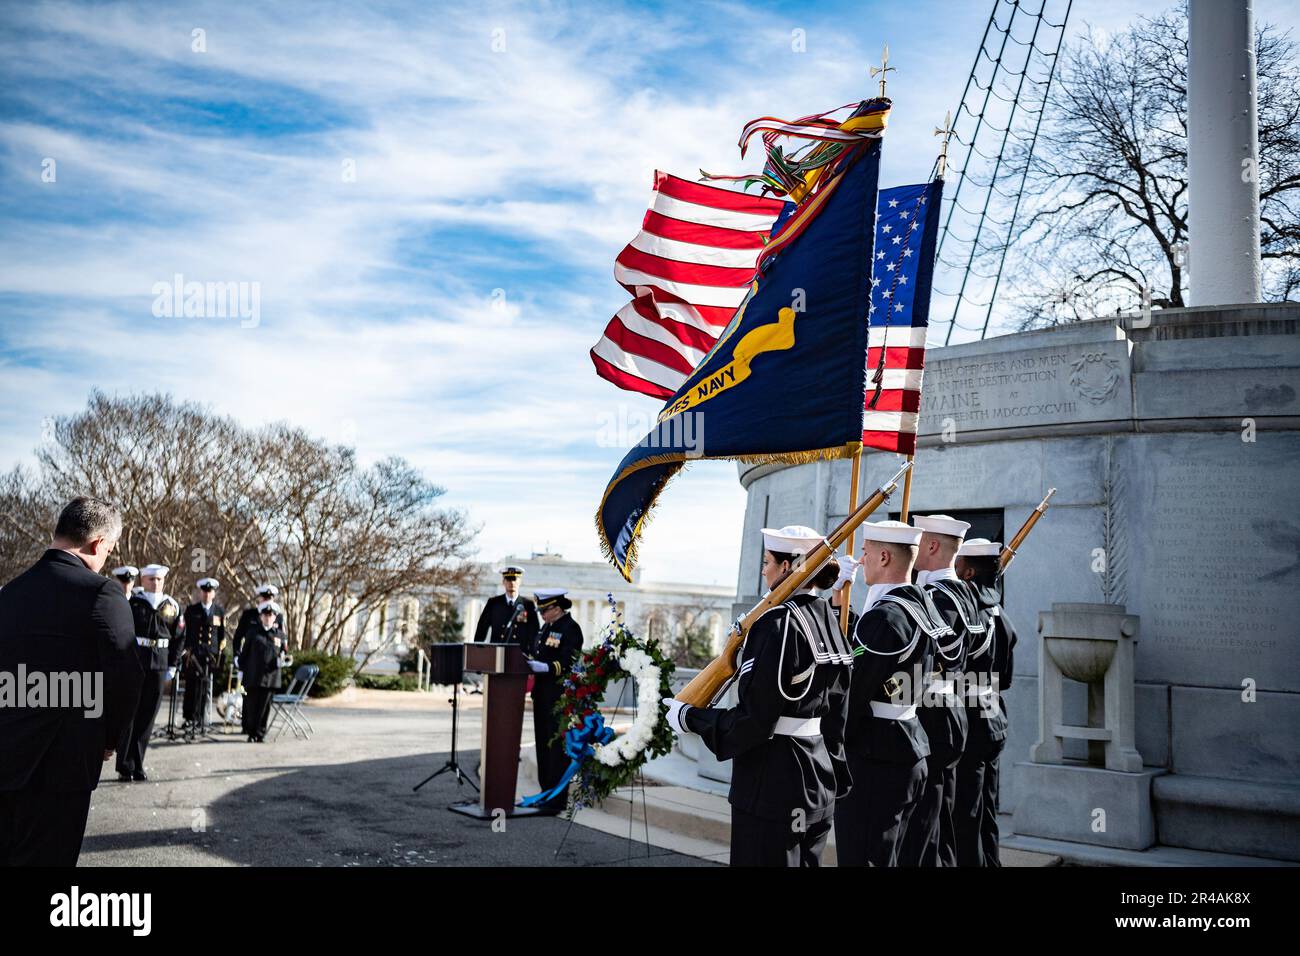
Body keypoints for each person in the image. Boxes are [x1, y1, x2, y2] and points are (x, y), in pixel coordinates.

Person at [662, 526, 853, 867]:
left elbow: (753, 720)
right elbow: (837, 716)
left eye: (768, 562)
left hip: (774, 787)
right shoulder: (829, 618)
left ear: (788, 567)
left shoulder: (777, 624)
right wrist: (834, 775)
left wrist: (690, 717)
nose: (764, 570)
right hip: (818, 781)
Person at [0, 496, 141, 866]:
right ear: (98, 544)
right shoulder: (101, 592)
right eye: (109, 550)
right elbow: (127, 676)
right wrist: (109, 738)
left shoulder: (9, 594)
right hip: (62, 765)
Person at [835, 520, 952, 867]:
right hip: (908, 748)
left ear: (884, 556)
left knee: (863, 859)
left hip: (876, 758)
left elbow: (852, 692)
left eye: (867, 553)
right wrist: (841, 601)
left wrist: (834, 746)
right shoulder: (922, 607)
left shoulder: (886, 617)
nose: (862, 559)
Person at [902, 513, 980, 867]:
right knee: (938, 819)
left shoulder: (936, 595)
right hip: (948, 707)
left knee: (924, 827)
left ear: (931, 546)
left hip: (932, 712)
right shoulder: (961, 591)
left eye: (918, 542)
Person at [954, 538, 1017, 866]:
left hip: (971, 722)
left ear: (967, 571)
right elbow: (1004, 678)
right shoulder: (1000, 615)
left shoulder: (968, 614)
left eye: (958, 563)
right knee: (985, 811)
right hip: (993, 717)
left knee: (966, 815)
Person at [116, 563, 182, 781]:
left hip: (159, 663)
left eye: (159, 580)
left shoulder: (171, 605)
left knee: (148, 716)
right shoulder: (133, 602)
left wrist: (172, 665)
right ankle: (125, 765)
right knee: (130, 713)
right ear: (142, 581)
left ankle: (138, 764)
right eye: (151, 579)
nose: (155, 583)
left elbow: (179, 638)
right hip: (137, 661)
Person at [521, 589, 583, 814]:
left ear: (557, 607)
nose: (542, 615)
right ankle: (545, 793)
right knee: (543, 747)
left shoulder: (570, 628)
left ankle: (556, 800)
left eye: (544, 610)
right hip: (541, 695)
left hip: (559, 698)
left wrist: (546, 667)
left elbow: (568, 660)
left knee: (556, 750)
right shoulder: (546, 628)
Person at [180, 578, 225, 737]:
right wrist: (184, 650)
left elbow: (221, 636)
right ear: (200, 592)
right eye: (204, 591)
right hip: (194, 654)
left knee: (205, 687)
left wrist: (219, 654)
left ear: (213, 593)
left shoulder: (219, 611)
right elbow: (185, 632)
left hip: (209, 655)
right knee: (191, 686)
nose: (207, 594)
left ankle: (201, 718)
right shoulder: (192, 610)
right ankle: (189, 717)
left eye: (210, 591)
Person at [238, 603, 284, 742]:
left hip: (270, 677)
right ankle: (252, 733)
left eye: (271, 615)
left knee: (265, 708)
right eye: (265, 615)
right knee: (252, 706)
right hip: (253, 675)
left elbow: (284, 653)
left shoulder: (279, 635)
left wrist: (282, 661)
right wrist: (241, 669)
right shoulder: (253, 632)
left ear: (275, 617)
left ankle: (260, 733)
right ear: (261, 616)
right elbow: (245, 653)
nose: (268, 618)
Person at [473, 566, 539, 646]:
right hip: (498, 650)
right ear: (503, 582)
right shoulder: (493, 603)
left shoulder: (528, 605)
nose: (512, 583)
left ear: (520, 582)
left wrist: (531, 653)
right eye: (508, 579)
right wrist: (478, 649)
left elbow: (534, 631)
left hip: (519, 652)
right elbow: (482, 628)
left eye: (514, 579)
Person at [232, 584, 283, 663]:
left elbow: (282, 638)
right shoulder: (249, 615)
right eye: (265, 598)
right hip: (251, 659)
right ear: (259, 598)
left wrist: (282, 655)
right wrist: (237, 655)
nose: (267, 601)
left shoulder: (278, 617)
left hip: (271, 661)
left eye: (270, 598)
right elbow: (238, 637)